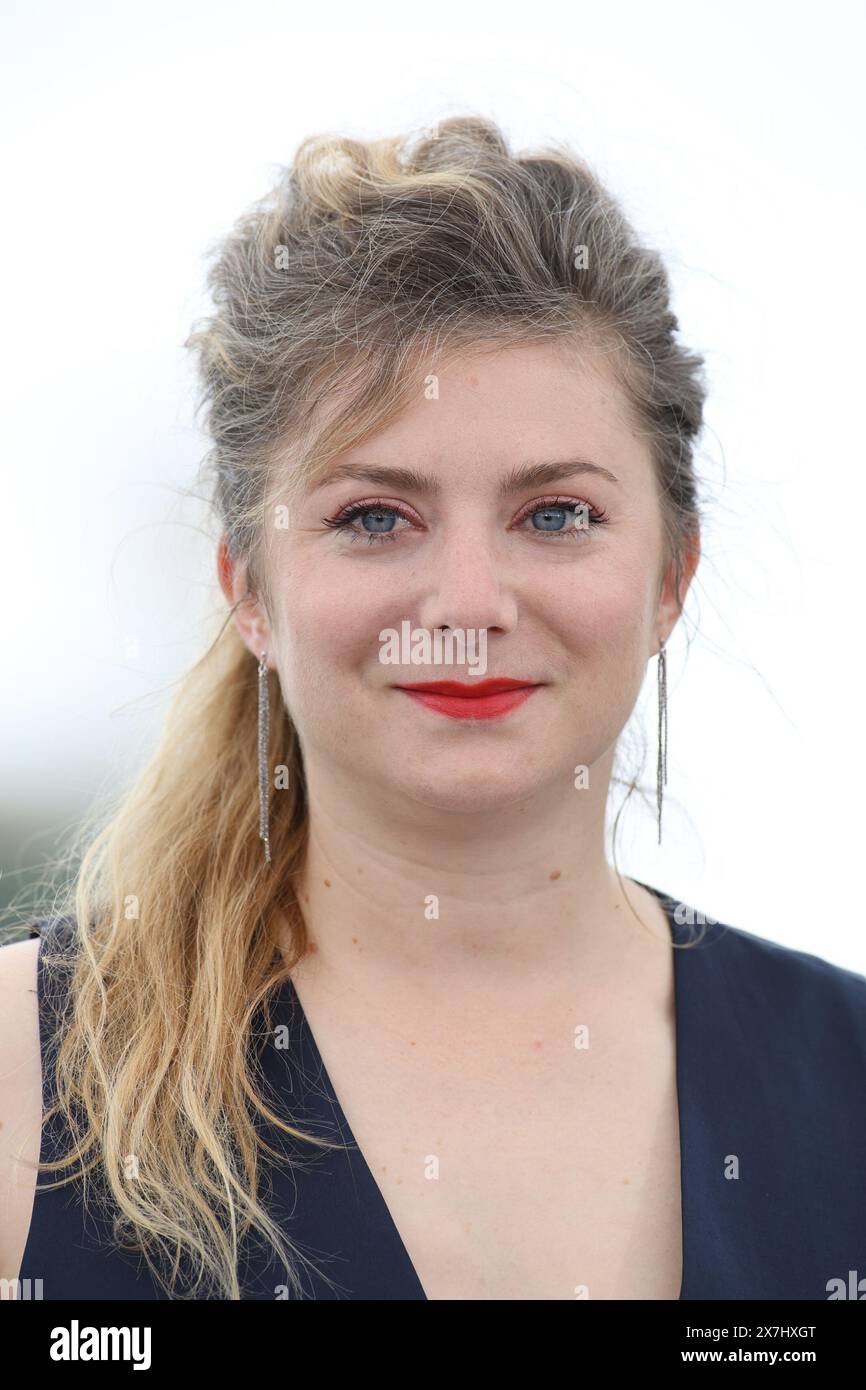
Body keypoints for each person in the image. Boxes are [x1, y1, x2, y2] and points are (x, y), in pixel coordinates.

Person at [2, 115, 865, 1302]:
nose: (466, 601)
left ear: (670, 577)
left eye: (554, 513)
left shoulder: (847, 1081)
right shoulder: (20, 1080)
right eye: (373, 517)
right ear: (248, 588)